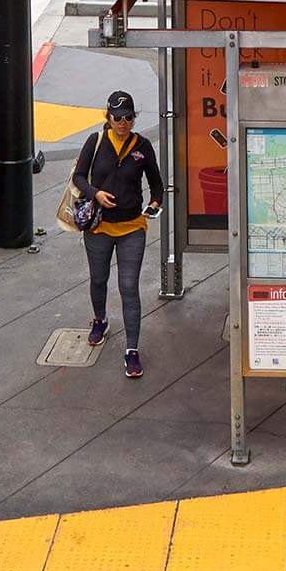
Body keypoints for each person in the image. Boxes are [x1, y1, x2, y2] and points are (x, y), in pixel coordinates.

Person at [73, 90, 165, 379]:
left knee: (128, 287)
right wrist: (95, 193)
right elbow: (78, 176)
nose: (123, 124)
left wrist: (154, 204)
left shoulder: (143, 146)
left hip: (132, 228)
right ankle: (100, 319)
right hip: (99, 227)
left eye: (128, 118)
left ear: (134, 118)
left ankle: (132, 350)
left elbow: (158, 185)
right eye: (117, 118)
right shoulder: (96, 142)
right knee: (99, 278)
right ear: (108, 118)